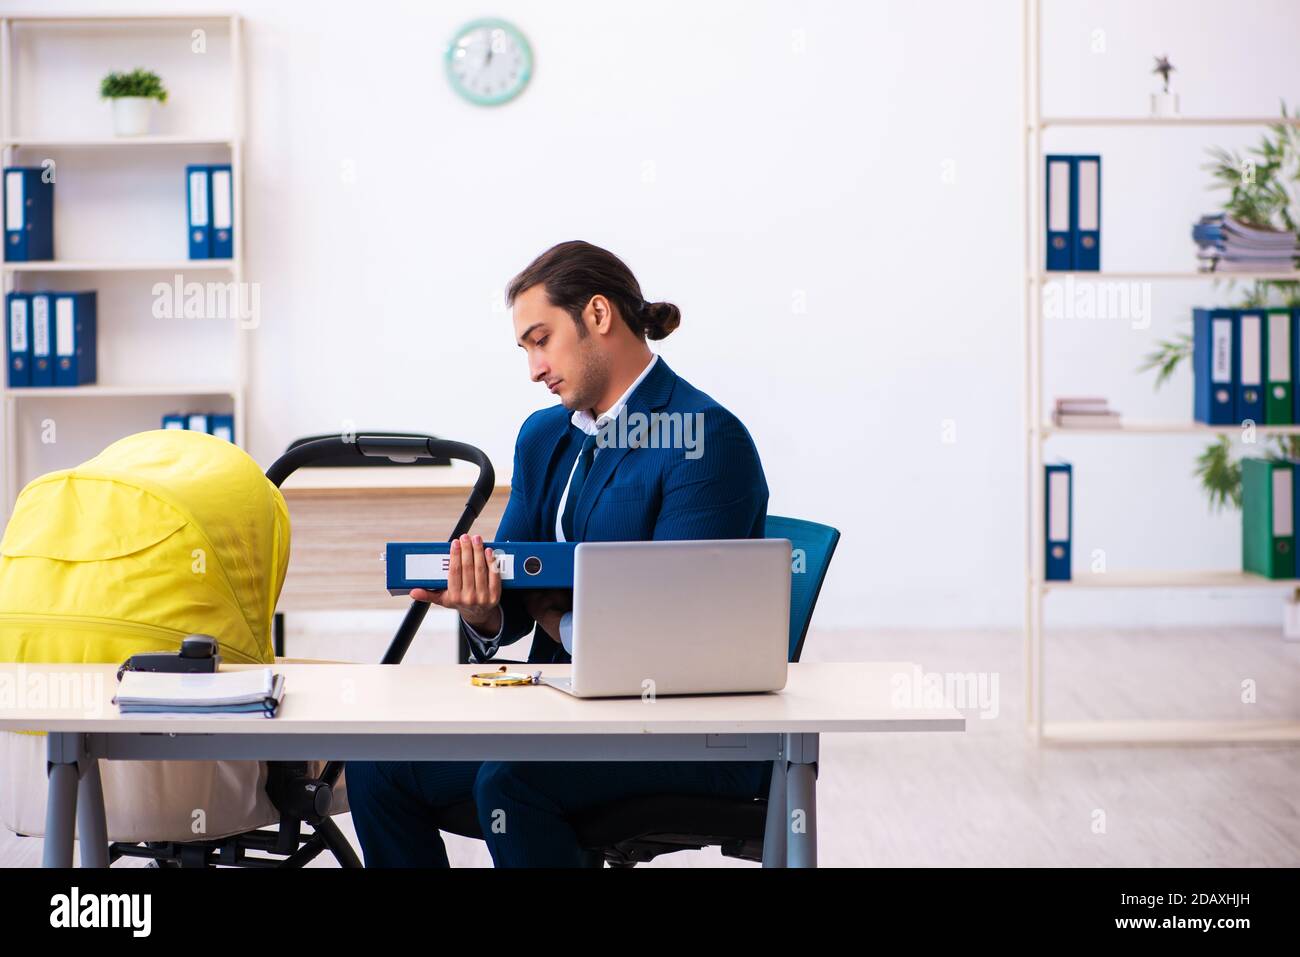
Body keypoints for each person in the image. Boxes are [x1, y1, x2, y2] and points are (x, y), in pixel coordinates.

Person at [346, 240, 770, 866]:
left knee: (509, 784)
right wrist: (483, 609)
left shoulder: (705, 439)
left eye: (541, 340)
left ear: (598, 315)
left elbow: (674, 637)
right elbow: (517, 588)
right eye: (524, 348)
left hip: (675, 724)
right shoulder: (545, 436)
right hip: (564, 707)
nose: (534, 368)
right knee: (377, 768)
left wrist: (558, 619)